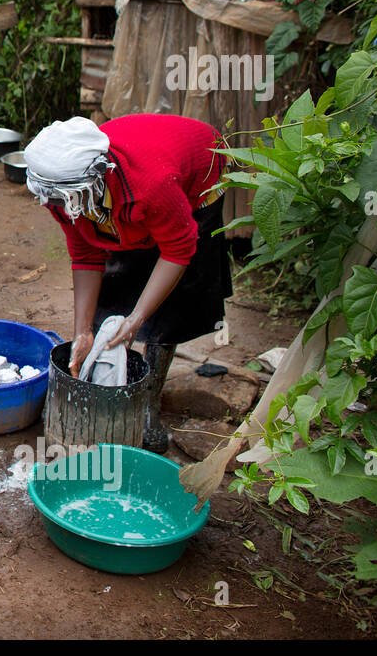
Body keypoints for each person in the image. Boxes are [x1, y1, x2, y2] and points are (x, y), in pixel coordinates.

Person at [22, 114, 230, 452]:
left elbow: (178, 248)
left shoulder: (151, 187)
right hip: (139, 178)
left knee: (171, 304)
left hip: (199, 164)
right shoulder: (62, 194)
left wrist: (137, 319)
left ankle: (148, 402)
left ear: (96, 182)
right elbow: (86, 253)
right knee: (121, 278)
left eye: (64, 201)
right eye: (55, 201)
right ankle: (119, 380)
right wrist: (83, 330)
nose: (58, 208)